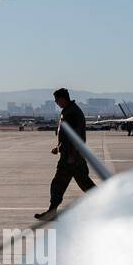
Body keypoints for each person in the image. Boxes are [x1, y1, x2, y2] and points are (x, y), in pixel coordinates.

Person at [35, 88, 96, 220]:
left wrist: (72, 156)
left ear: (63, 98)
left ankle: (52, 212)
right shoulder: (69, 110)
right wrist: (58, 147)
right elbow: (66, 136)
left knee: (58, 184)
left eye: (57, 100)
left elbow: (75, 136)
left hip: (72, 157)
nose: (56, 102)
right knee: (84, 183)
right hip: (72, 155)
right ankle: (108, 204)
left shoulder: (72, 113)